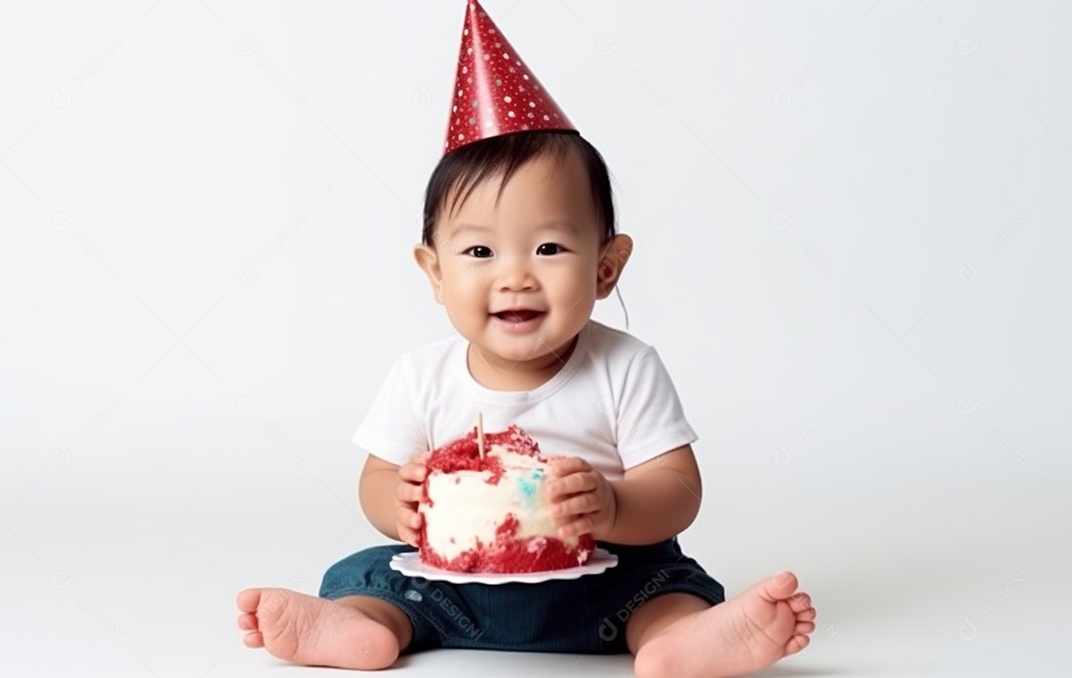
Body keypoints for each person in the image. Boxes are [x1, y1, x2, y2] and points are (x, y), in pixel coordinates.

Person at [236, 3, 816, 676]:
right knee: (374, 574)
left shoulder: (625, 367)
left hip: (602, 583)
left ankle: (676, 641)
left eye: (548, 247)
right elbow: (375, 476)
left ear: (606, 267)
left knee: (665, 582)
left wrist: (615, 504)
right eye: (479, 250)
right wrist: (395, 499)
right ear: (434, 272)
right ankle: (366, 629)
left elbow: (678, 489)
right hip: (453, 586)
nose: (515, 276)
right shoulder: (422, 375)